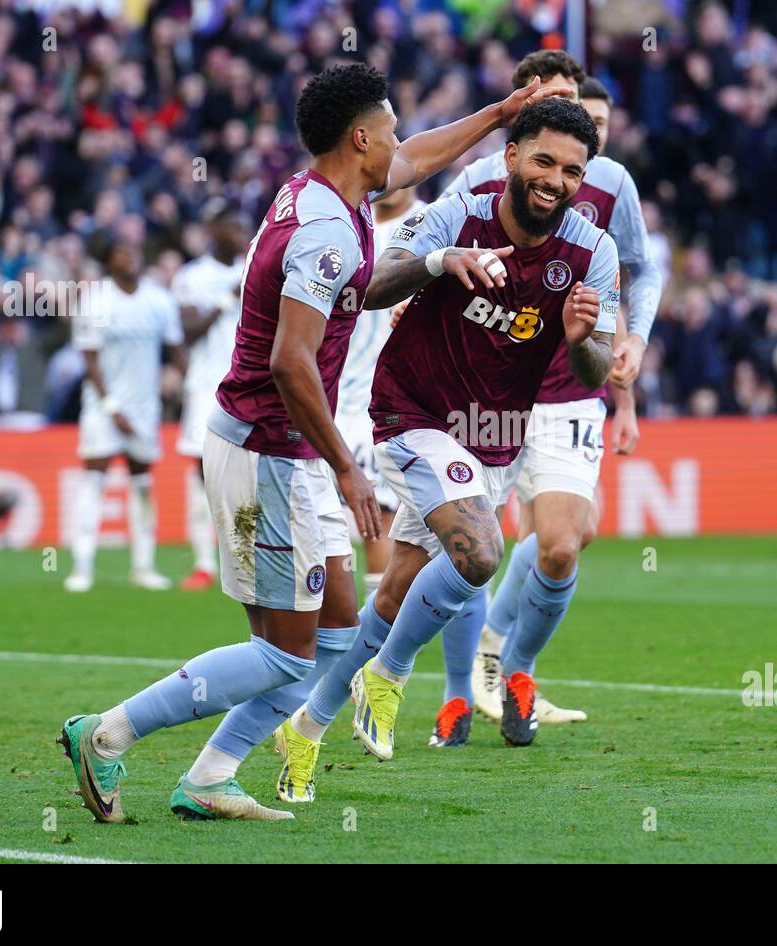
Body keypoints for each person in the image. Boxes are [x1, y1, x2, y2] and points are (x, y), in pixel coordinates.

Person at [58, 63, 570, 822]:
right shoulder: (329, 228)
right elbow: (288, 361)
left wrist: (498, 116)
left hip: (286, 453)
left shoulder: (323, 191)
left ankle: (210, 776)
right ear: (361, 137)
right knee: (283, 654)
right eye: (391, 127)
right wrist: (347, 471)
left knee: (332, 642)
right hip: (268, 451)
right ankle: (104, 733)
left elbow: (421, 158)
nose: (400, 142)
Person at [271, 96, 618, 803]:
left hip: (495, 439)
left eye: (573, 170)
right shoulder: (465, 207)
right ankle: (393, 673)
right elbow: (370, 286)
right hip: (413, 411)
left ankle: (304, 731)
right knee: (482, 552)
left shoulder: (592, 251)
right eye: (544, 160)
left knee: (394, 594)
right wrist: (439, 259)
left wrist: (585, 340)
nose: (556, 179)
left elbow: (596, 369)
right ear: (513, 154)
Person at [440, 56, 662, 735]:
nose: (575, 119)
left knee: (562, 543)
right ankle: (456, 694)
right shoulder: (479, 179)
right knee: (470, 549)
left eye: (579, 104)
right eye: (556, 103)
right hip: (487, 388)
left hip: (569, 390)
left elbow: (635, 274)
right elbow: (434, 254)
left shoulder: (611, 182)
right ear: (520, 110)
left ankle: (515, 670)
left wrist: (633, 356)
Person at [63, 239, 184, 593]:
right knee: (93, 481)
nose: (129, 257)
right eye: (121, 252)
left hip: (145, 409)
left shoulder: (158, 300)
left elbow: (176, 349)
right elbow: (89, 360)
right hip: (103, 408)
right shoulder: (96, 300)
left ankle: (143, 565)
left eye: (133, 252)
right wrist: (113, 407)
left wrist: (185, 381)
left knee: (142, 485)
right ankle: (82, 565)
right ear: (109, 261)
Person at [333, 185, 426, 601]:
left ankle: (373, 639)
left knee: (379, 517)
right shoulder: (348, 222)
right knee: (328, 525)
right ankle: (336, 635)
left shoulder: (431, 222)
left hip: (388, 400)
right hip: (335, 393)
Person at [171, 203, 247, 591]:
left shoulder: (255, 267)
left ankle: (242, 559)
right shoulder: (192, 277)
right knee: (202, 474)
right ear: (213, 230)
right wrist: (225, 300)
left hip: (248, 387)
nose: (242, 231)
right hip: (206, 389)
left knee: (245, 476)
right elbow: (187, 331)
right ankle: (203, 562)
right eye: (233, 225)